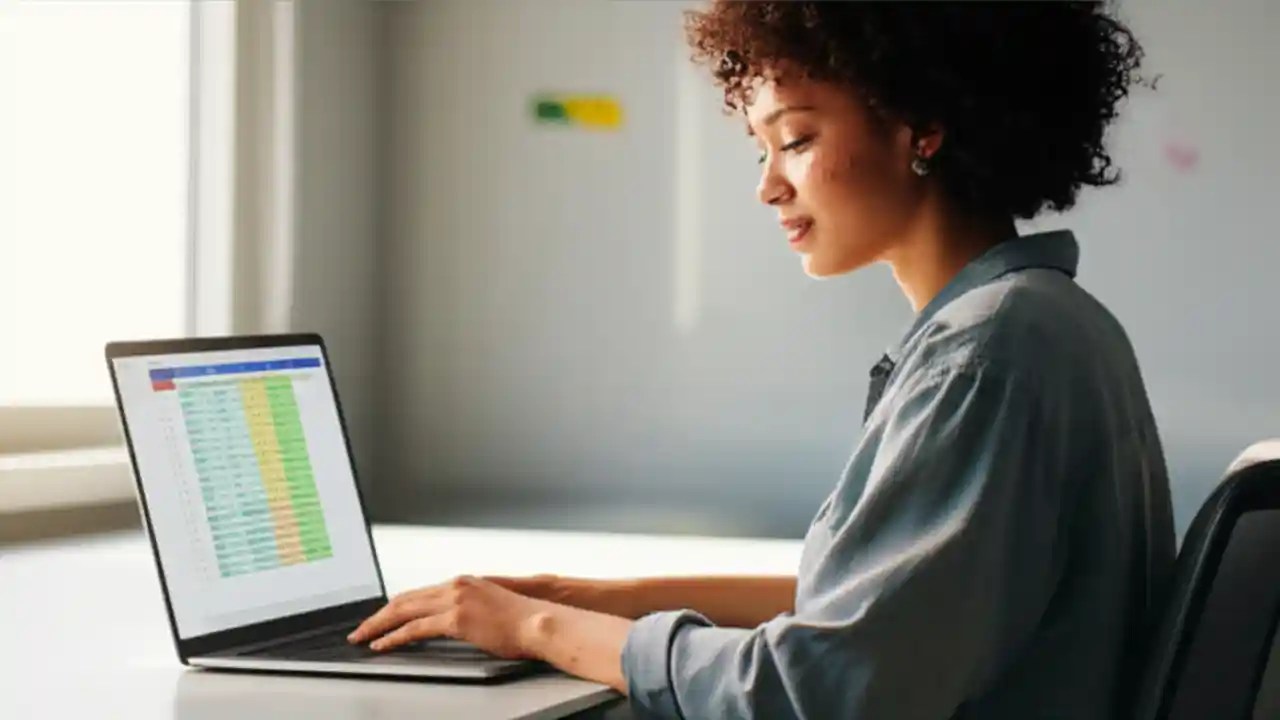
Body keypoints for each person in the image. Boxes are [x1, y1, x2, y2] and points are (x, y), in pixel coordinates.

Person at [348, 2, 1176, 718]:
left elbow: (815, 691)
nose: (768, 186)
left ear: (923, 124)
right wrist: (596, 601)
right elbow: (877, 608)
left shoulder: (986, 355)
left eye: (798, 138)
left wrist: (539, 630)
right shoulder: (1048, 322)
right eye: (761, 150)